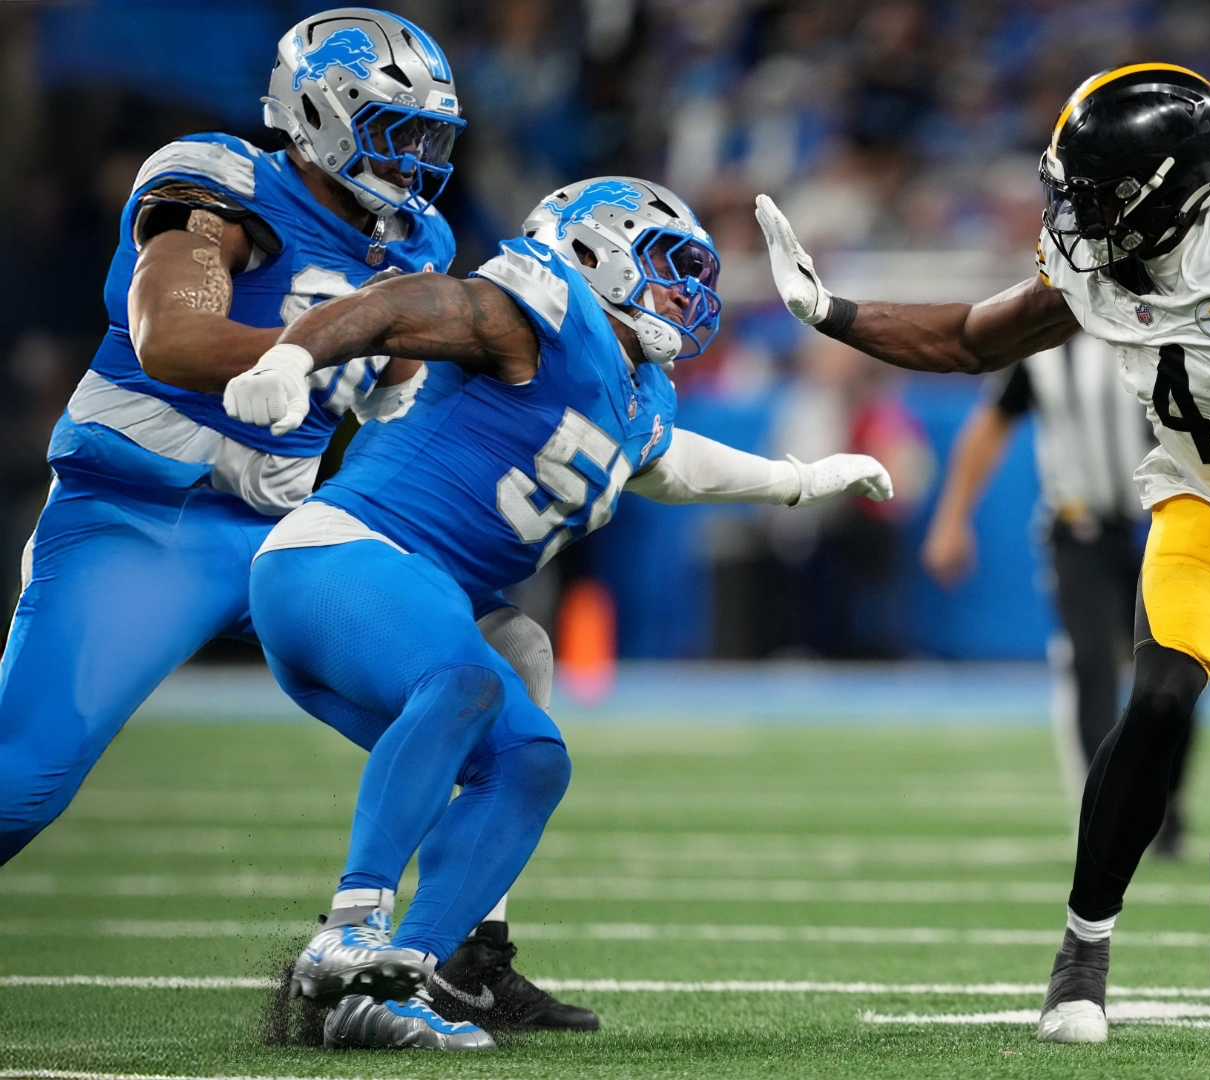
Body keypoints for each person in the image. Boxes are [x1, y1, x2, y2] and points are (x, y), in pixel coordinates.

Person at [754, 63, 1210, 1043]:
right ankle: (1081, 959)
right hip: (1206, 506)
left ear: (1169, 193)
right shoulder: (1095, 268)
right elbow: (977, 339)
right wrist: (832, 314)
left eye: (1096, 195)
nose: (1073, 214)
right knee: (1156, 699)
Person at [0, 8, 599, 1033]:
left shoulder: (420, 238)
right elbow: (170, 337)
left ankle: (451, 956)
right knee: (23, 785)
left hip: (285, 531)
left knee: (512, 682)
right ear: (318, 113)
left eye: (429, 139)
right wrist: (303, 350)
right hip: (143, 517)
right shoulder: (221, 184)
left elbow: (397, 400)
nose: (415, 162)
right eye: (393, 130)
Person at [224, 175, 892, 1050]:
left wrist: (798, 480)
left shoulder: (640, 392)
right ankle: (350, 930)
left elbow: (670, 464)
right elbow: (409, 305)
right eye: (665, 266)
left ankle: (400, 980)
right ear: (590, 253)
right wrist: (290, 355)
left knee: (532, 760)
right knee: (466, 676)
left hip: (421, 602)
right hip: (341, 560)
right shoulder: (538, 310)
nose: (685, 293)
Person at [920, 336, 1197, 855]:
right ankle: (1111, 812)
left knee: (1174, 672)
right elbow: (993, 421)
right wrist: (951, 517)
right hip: (1077, 531)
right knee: (1090, 666)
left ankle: (1166, 800)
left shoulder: (1160, 321)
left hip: (1164, 524)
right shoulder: (1043, 338)